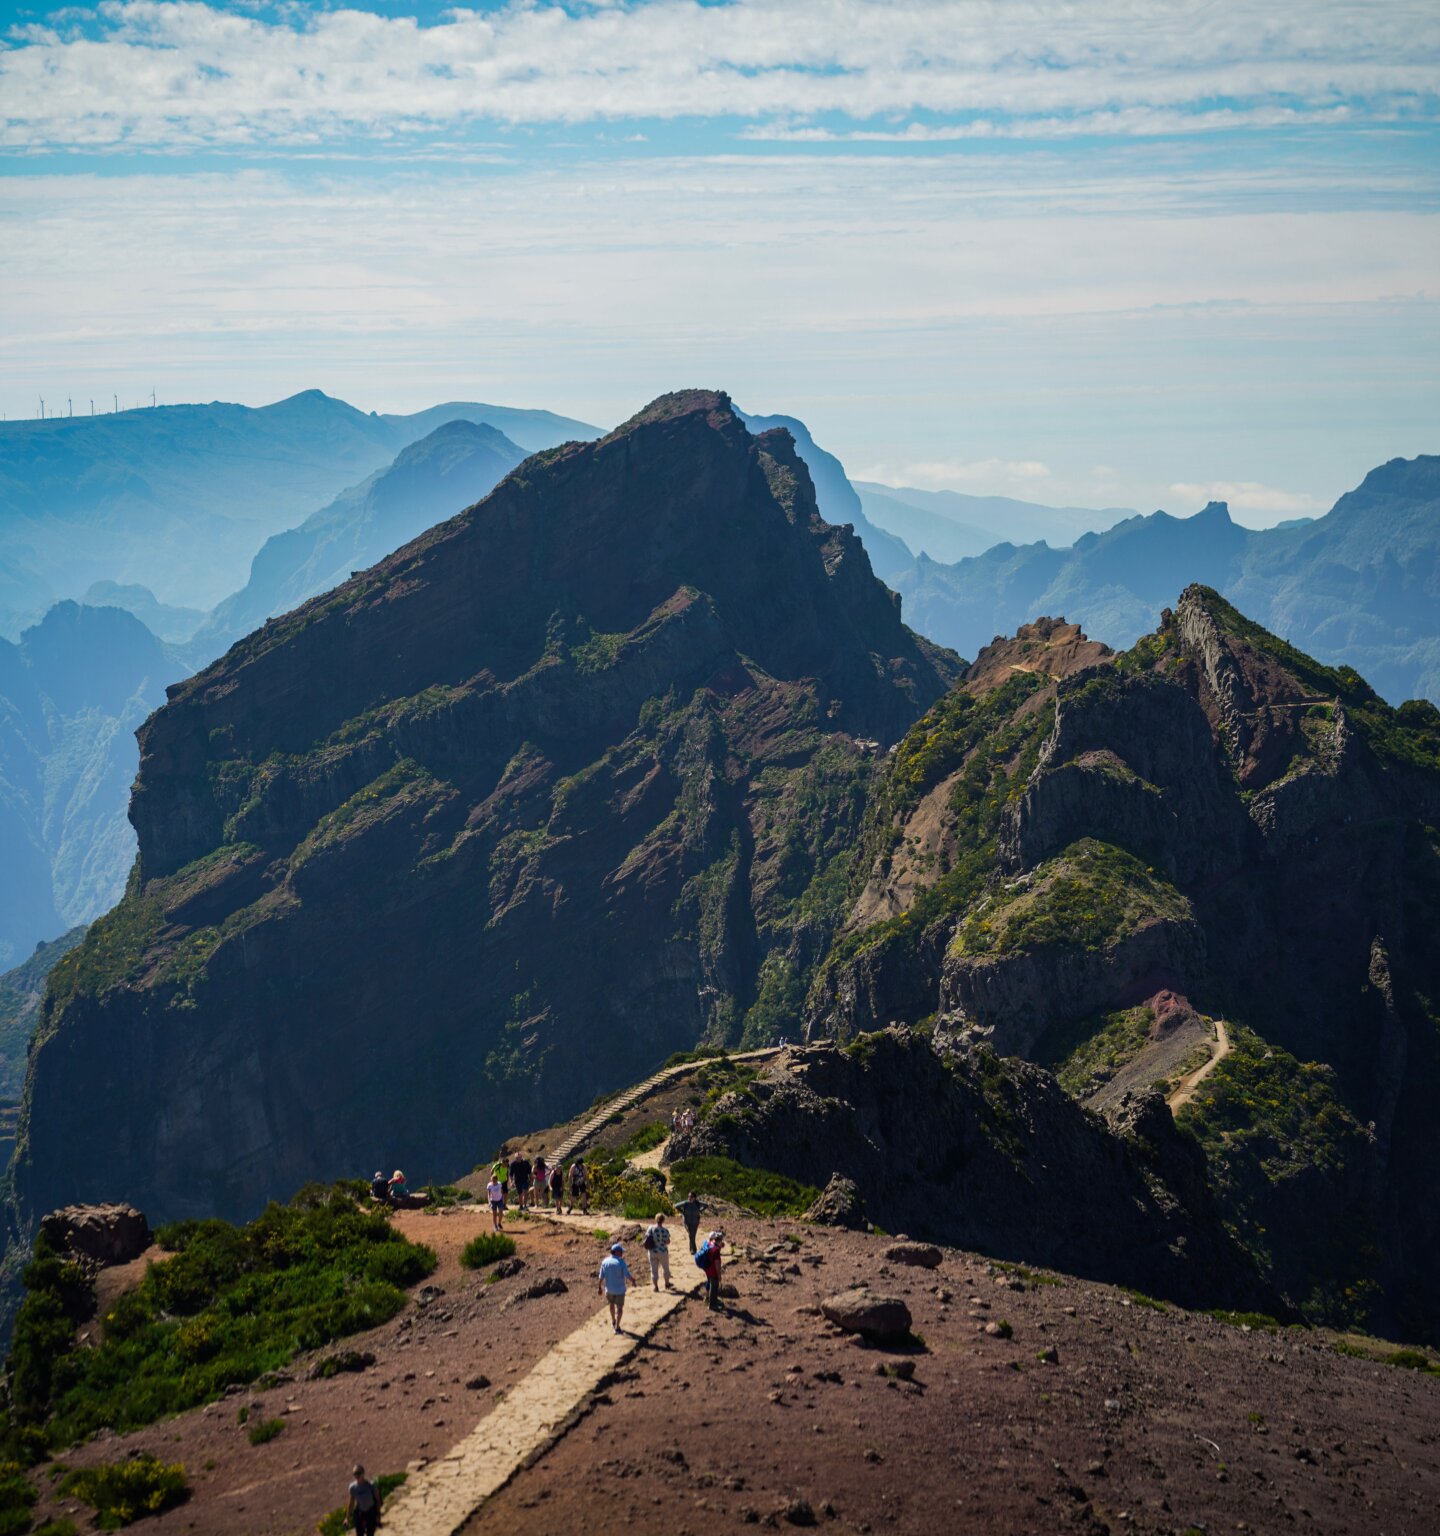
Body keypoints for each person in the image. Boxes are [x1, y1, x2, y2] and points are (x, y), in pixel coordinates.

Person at [598, 1241, 635, 1333]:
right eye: (621, 1251)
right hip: (619, 1290)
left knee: (611, 1305)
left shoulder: (605, 1262)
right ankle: (617, 1327)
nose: (622, 1253)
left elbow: (601, 1276)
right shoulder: (621, 1263)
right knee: (619, 1308)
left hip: (609, 1289)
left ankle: (613, 1321)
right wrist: (633, 1280)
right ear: (617, 1252)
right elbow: (627, 1274)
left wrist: (599, 1287)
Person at [347, 1464, 381, 1536]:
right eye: (355, 1474)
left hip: (371, 1512)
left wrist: (378, 1514)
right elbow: (351, 1503)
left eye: (358, 1473)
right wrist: (347, 1518)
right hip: (360, 1513)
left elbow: (378, 1500)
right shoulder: (353, 1488)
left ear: (363, 1473)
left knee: (370, 1533)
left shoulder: (371, 1485)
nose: (357, 1476)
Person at [643, 1212, 672, 1291]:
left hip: (652, 1251)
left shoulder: (651, 1228)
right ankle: (667, 1283)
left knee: (654, 1269)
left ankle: (656, 1287)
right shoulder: (665, 1230)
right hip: (663, 1252)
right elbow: (668, 1241)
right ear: (663, 1220)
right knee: (665, 1268)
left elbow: (646, 1237)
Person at [696, 1228, 724, 1311]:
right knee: (714, 1285)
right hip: (712, 1270)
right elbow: (717, 1264)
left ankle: (713, 1300)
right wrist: (719, 1275)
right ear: (720, 1240)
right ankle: (712, 1305)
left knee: (713, 1284)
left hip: (707, 1267)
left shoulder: (710, 1244)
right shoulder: (716, 1251)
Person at [676, 1189, 706, 1254]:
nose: (689, 1198)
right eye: (688, 1196)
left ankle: (691, 1250)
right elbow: (676, 1206)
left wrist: (700, 1210)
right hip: (687, 1222)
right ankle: (694, 1250)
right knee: (691, 1235)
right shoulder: (685, 1203)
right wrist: (682, 1212)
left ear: (694, 1198)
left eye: (691, 1197)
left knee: (692, 1236)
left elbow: (706, 1205)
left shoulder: (698, 1203)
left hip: (695, 1222)